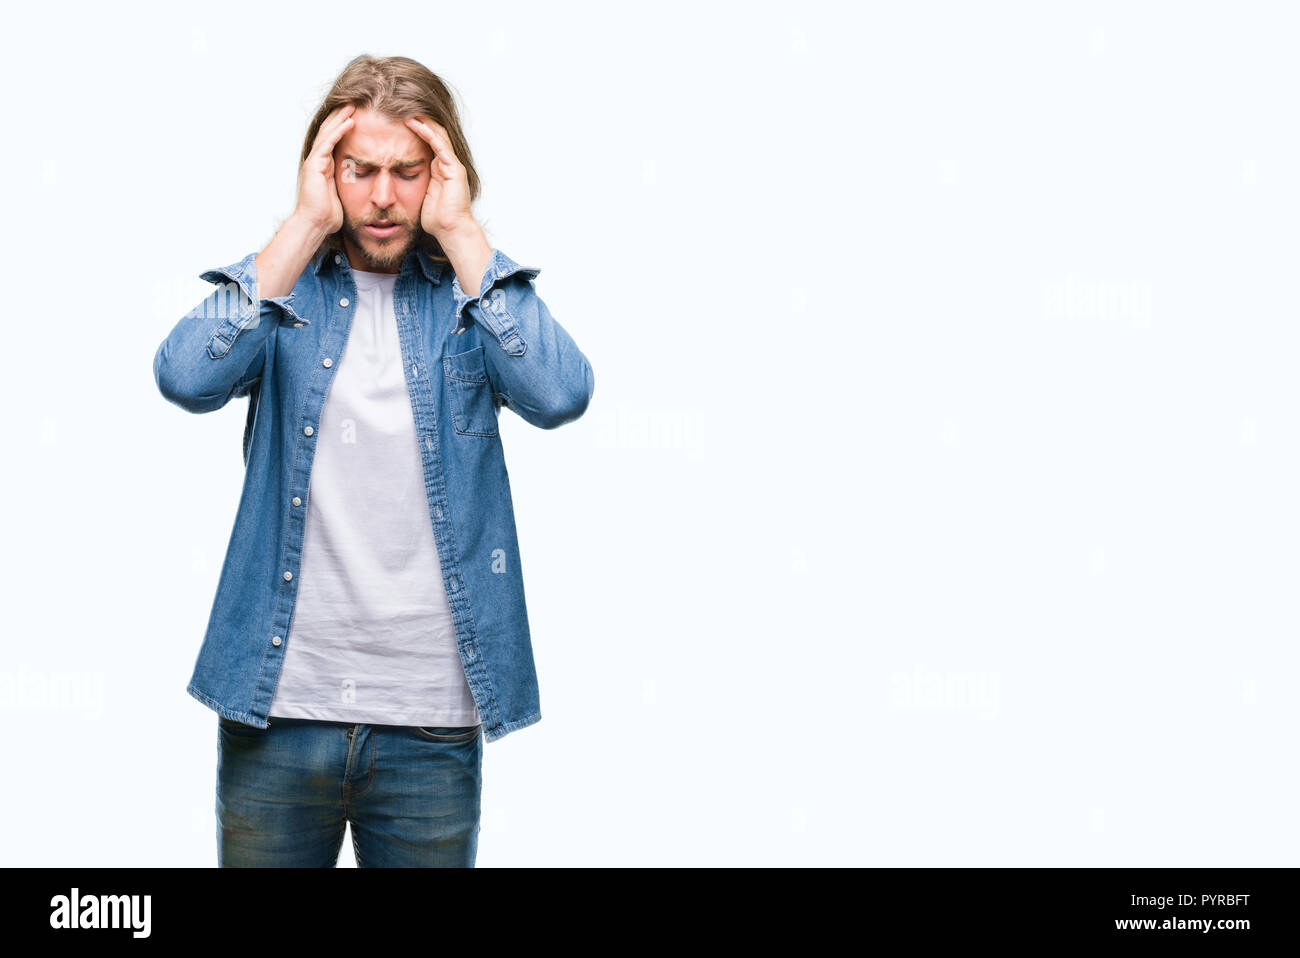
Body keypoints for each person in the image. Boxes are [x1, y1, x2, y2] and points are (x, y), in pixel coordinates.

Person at [153, 54, 595, 867]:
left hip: (430, 726)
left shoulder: (471, 299)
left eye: (407, 171)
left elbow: (560, 394)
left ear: (443, 173)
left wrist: (464, 234)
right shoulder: (290, 291)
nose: (384, 196)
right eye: (360, 170)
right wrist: (304, 227)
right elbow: (184, 375)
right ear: (328, 173)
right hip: (277, 711)